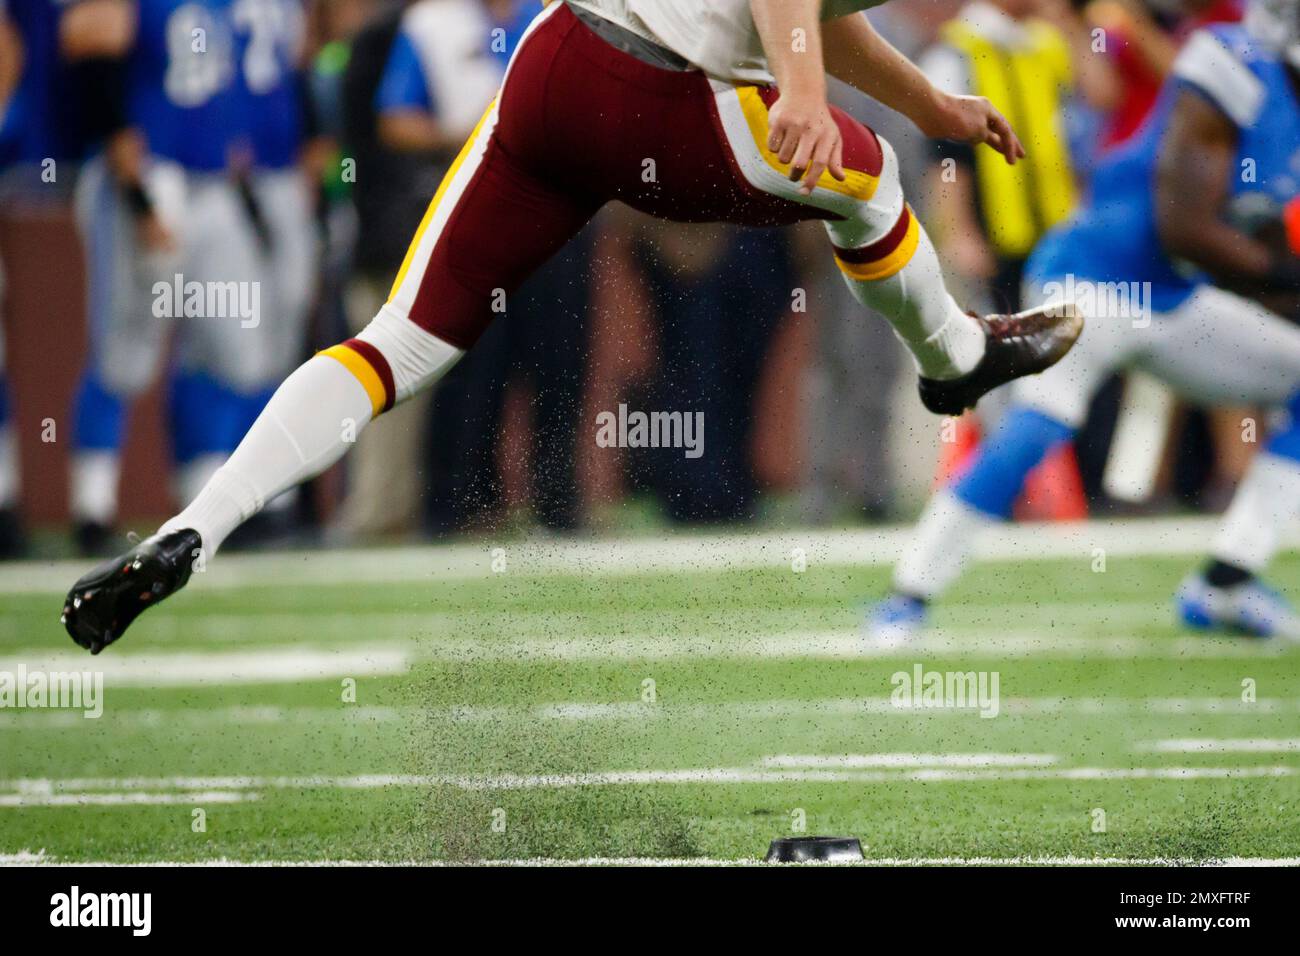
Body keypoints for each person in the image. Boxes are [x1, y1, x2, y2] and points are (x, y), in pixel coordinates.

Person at [62, 0, 1083, 653]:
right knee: (872, 181)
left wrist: (930, 98)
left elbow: (814, 10)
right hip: (664, 96)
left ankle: (194, 528)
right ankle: (955, 358)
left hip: (556, 63)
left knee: (400, 341)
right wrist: (806, 95)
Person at [868, 0, 1300, 644]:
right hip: (1092, 277)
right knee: (1041, 421)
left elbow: (1258, 234)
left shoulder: (1285, 98)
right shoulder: (1234, 63)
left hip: (1172, 297)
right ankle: (907, 595)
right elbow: (1186, 222)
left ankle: (1226, 582)